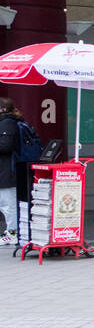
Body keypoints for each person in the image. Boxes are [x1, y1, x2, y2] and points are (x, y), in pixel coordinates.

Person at [0, 97, 22, 245]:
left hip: (8, 169)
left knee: (8, 203)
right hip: (6, 169)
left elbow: (5, 146)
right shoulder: (8, 122)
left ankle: (13, 233)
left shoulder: (7, 123)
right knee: (5, 203)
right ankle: (12, 231)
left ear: (3, 109)